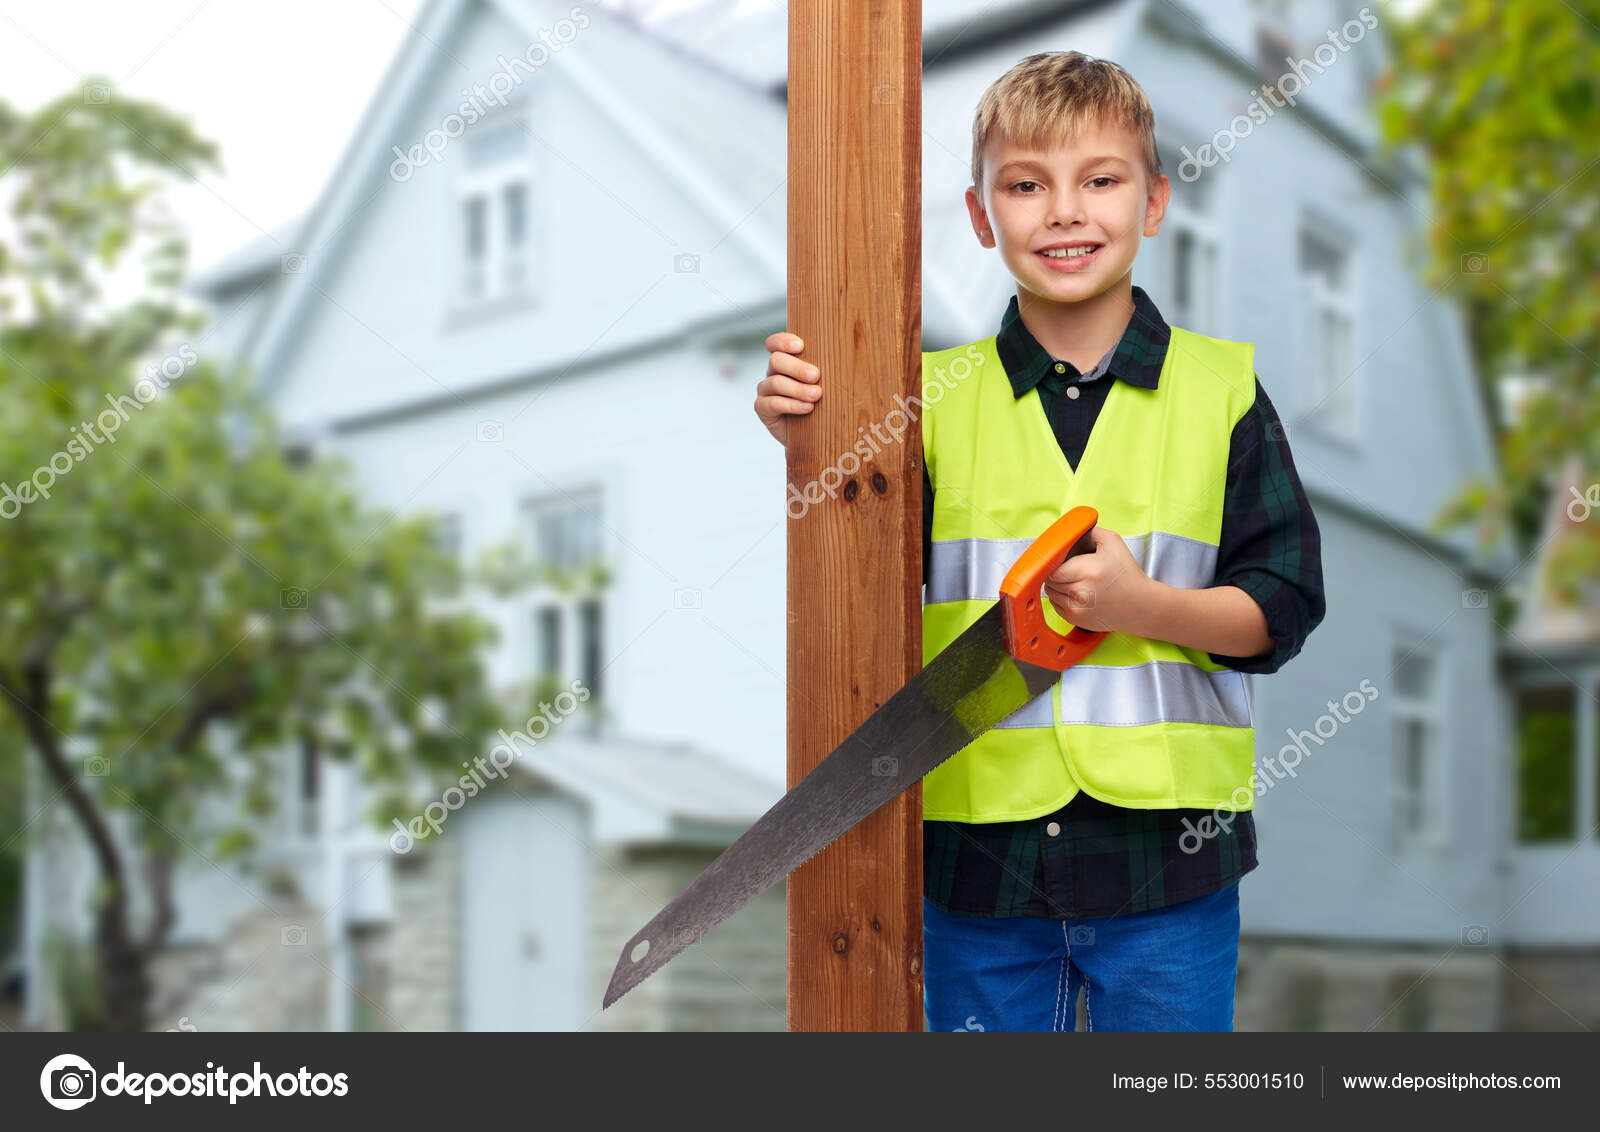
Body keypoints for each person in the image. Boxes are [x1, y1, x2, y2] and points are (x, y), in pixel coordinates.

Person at [753, 51, 1324, 1032]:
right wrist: (808, 439)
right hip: (978, 869)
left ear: (1151, 203)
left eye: (1099, 180)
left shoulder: (1221, 390)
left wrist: (1146, 609)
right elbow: (848, 565)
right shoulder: (921, 400)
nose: (1064, 211)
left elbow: (1282, 607)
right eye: (1025, 185)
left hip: (1169, 869)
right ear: (981, 217)